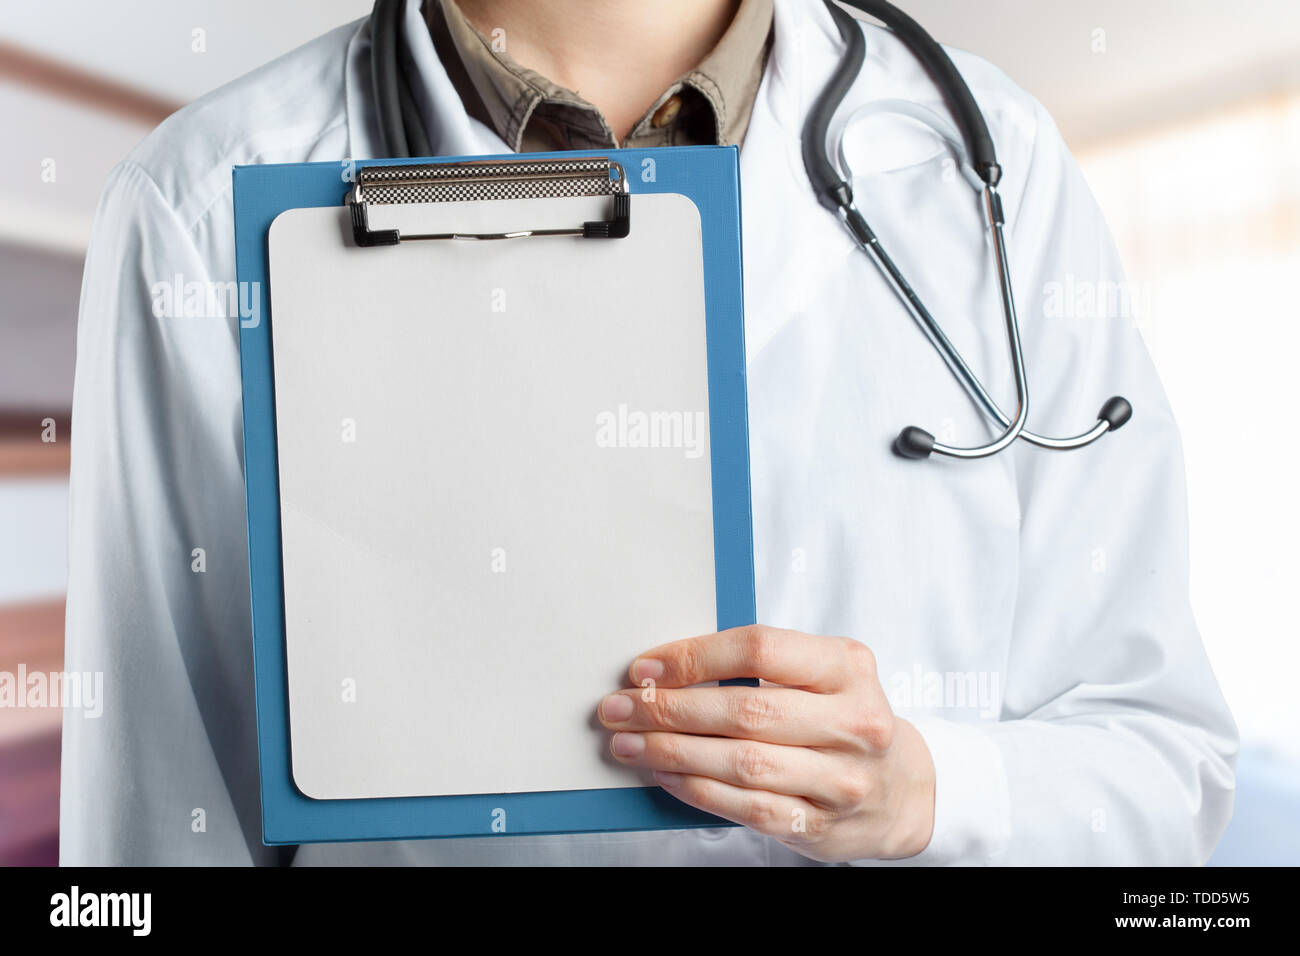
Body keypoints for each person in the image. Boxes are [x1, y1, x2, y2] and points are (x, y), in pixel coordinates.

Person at [61, 0, 1236, 865]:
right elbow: (157, 837)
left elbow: (1161, 769)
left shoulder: (988, 161)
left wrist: (931, 790)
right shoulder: (201, 202)